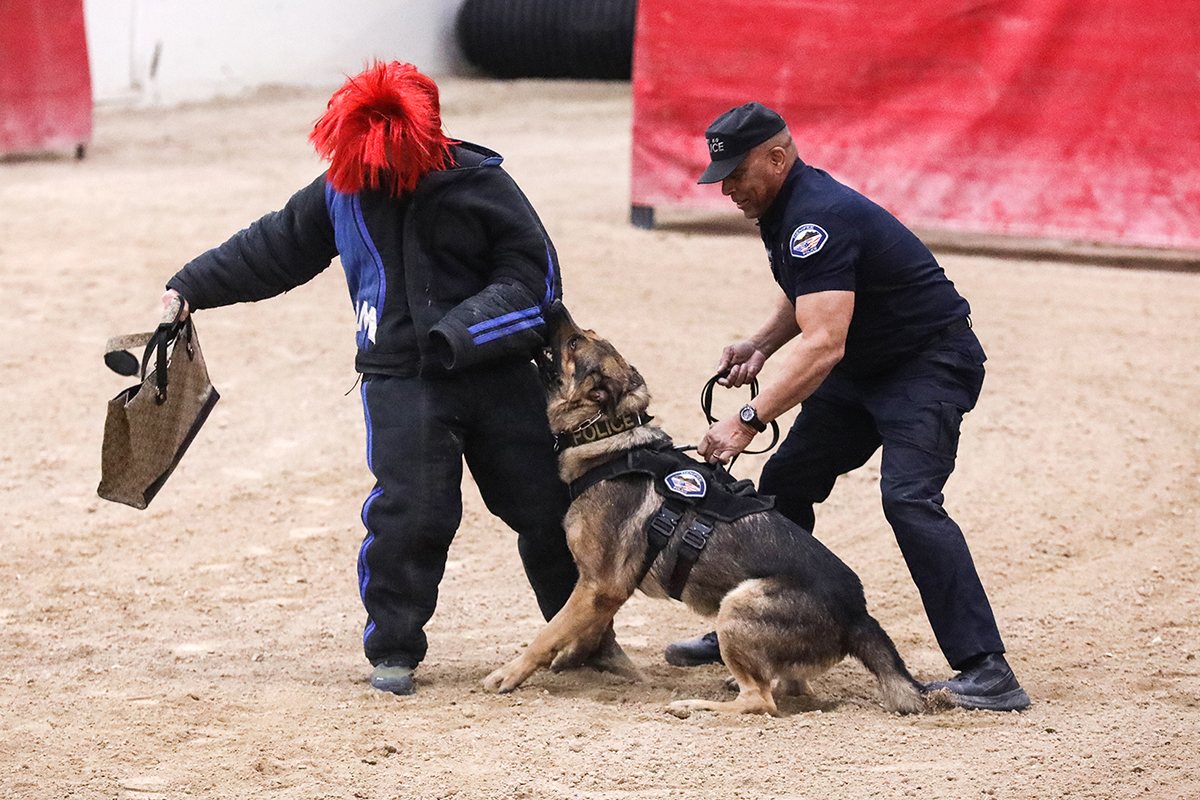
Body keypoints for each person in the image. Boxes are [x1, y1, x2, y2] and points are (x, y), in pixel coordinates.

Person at [158, 61, 619, 695]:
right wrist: (189, 287)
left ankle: (587, 641)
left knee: (546, 507)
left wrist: (460, 332)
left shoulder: (485, 184)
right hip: (400, 380)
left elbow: (533, 283)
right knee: (411, 513)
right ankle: (394, 651)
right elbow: (276, 246)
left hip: (495, 371)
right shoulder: (341, 187)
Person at [667, 101, 1029, 712]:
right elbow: (808, 295)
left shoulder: (818, 217)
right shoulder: (785, 209)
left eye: (735, 172)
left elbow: (825, 343)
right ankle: (755, 626)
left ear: (777, 158)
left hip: (927, 364)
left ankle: (987, 669)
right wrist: (760, 344)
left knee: (910, 499)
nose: (724, 186)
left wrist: (747, 420)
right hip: (865, 365)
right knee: (785, 483)